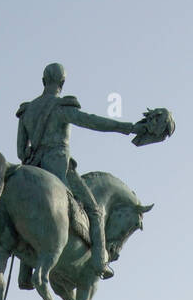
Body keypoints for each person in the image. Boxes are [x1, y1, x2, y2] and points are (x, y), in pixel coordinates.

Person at [17, 63, 140, 279]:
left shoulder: (27, 111)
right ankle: (100, 262)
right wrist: (128, 128)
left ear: (44, 81)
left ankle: (26, 272)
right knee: (94, 209)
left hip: (33, 167)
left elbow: (20, 150)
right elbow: (93, 122)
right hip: (58, 168)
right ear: (62, 83)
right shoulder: (62, 107)